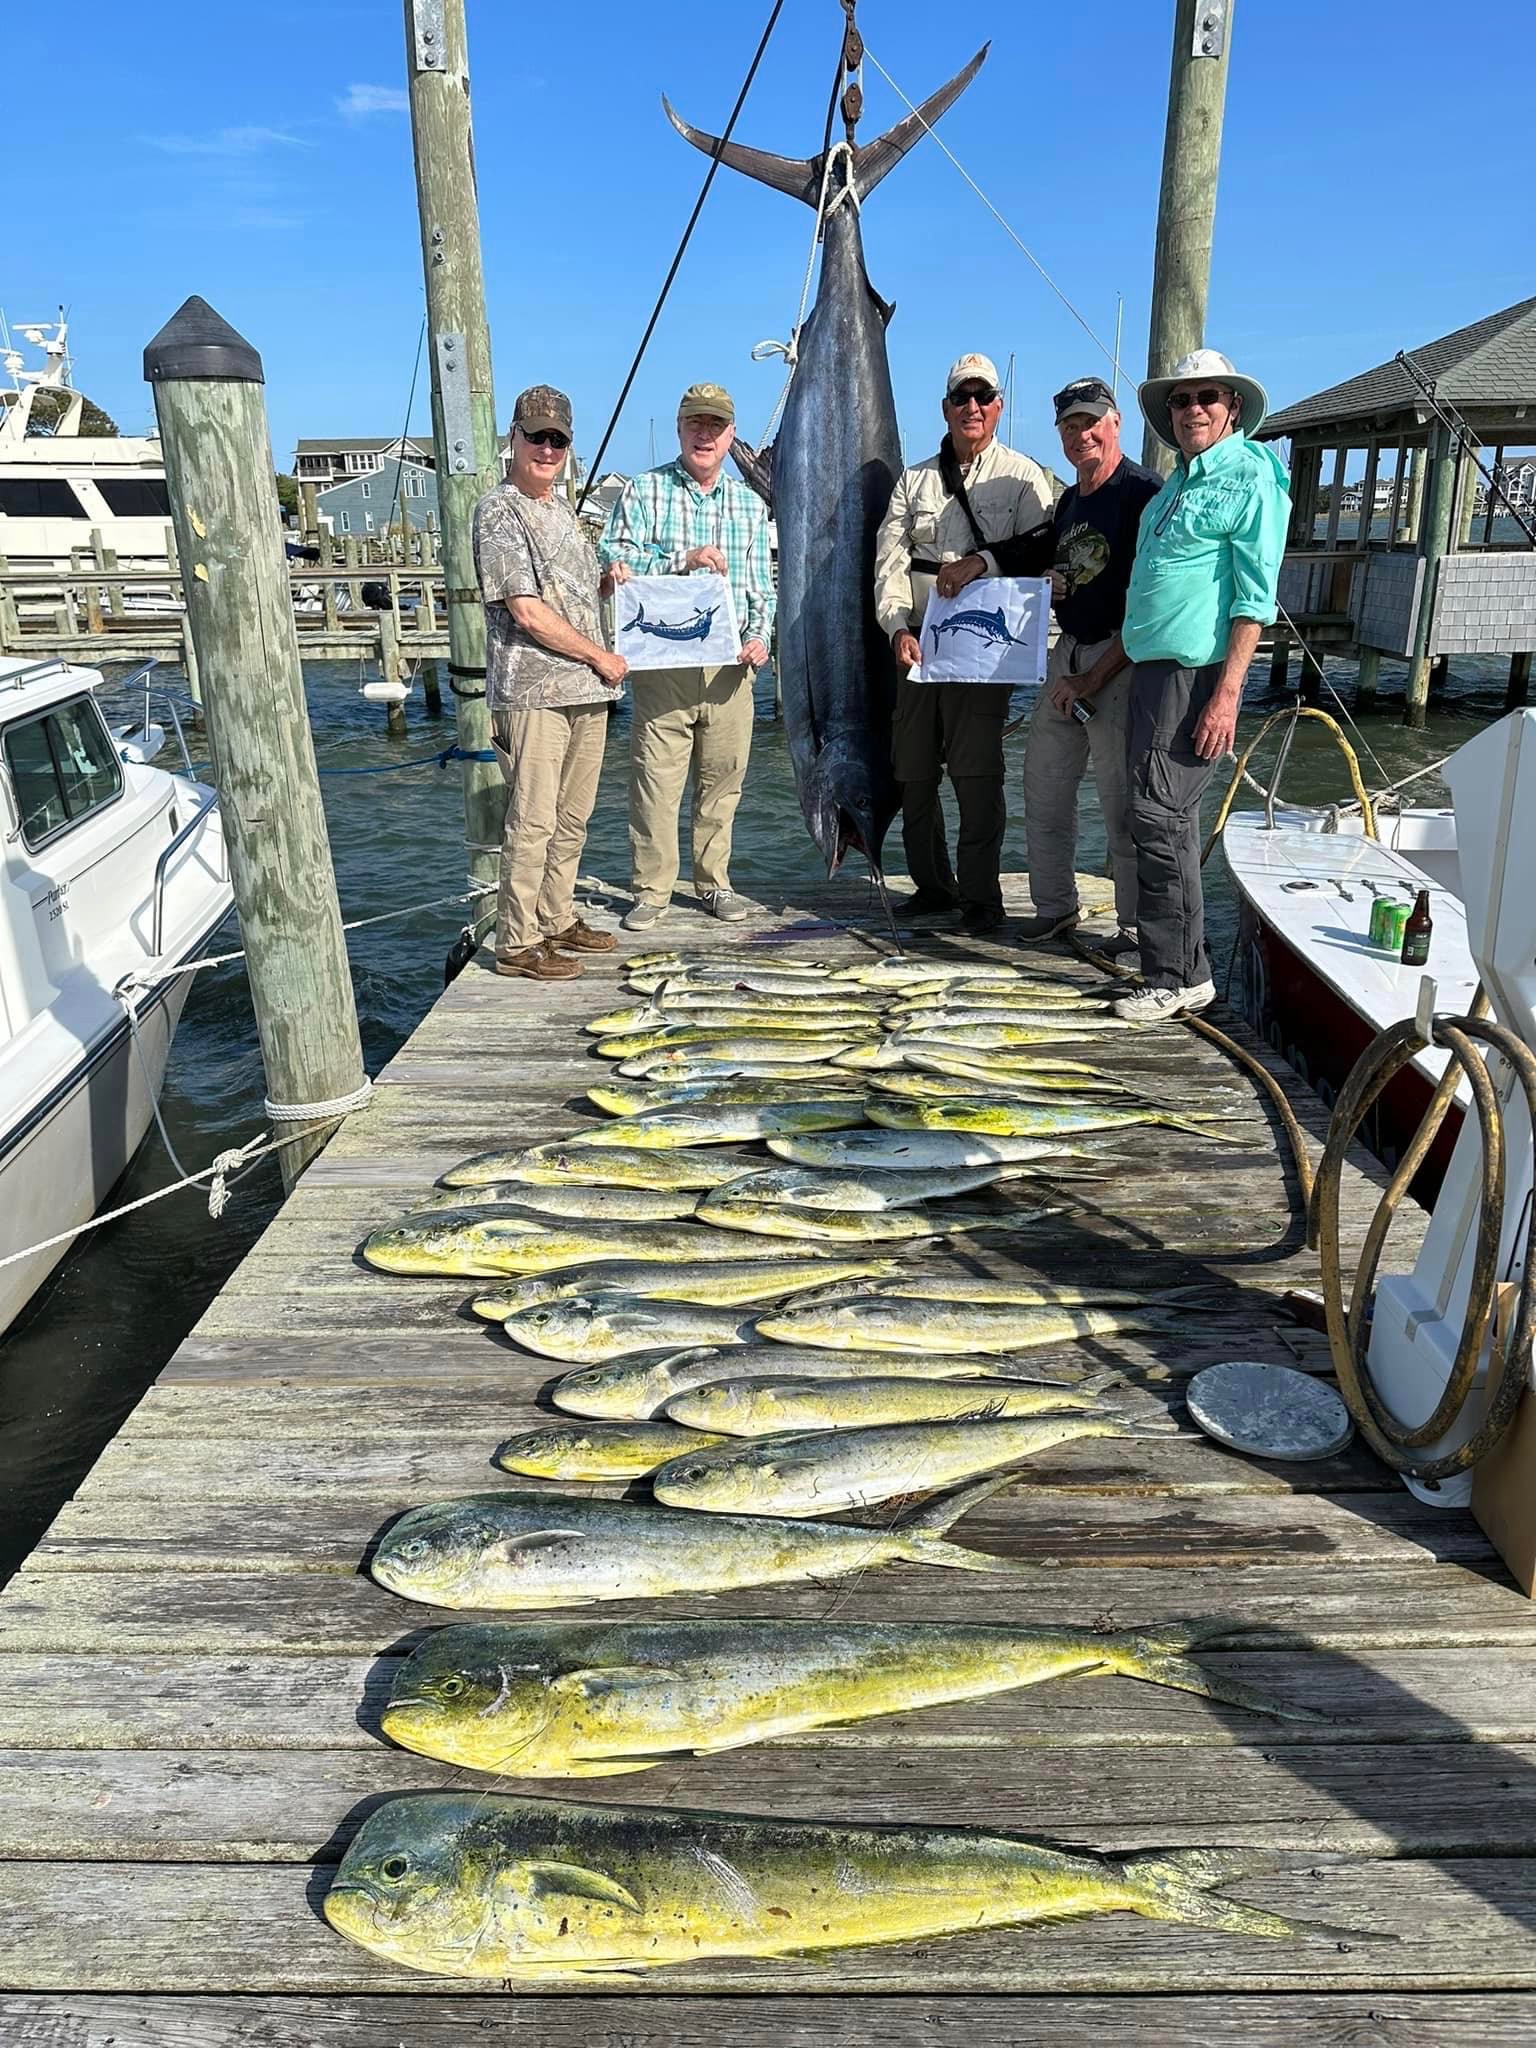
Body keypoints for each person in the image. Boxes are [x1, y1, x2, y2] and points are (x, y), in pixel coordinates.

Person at [1112, 348, 1289, 1021]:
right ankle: (1176, 959)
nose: (1192, 411)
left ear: (1232, 407)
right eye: (1181, 401)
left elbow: (1254, 599)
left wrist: (1227, 694)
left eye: (1206, 397)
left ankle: (1180, 974)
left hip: (1195, 675)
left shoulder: (1251, 477)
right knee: (1158, 815)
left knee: (1159, 817)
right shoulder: (1173, 486)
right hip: (1154, 672)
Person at [873, 353, 1054, 933]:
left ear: (998, 406)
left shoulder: (1026, 477)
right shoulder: (914, 480)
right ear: (946, 408)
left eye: (983, 397)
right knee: (914, 774)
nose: (971, 407)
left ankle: (981, 897)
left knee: (977, 778)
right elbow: (889, 563)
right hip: (918, 651)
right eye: (961, 398)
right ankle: (933, 886)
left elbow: (1044, 551)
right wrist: (897, 626)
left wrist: (984, 561)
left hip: (984, 659)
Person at [599, 382, 775, 931]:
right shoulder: (644, 490)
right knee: (656, 781)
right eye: (695, 423)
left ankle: (714, 883)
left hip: (730, 667)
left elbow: (761, 587)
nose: (705, 433)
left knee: (723, 781)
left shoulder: (751, 503)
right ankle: (651, 889)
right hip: (663, 667)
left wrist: (762, 636)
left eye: (716, 425)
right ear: (679, 428)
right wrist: (685, 559)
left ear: (731, 435)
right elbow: (616, 557)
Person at [473, 384, 627, 981]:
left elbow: (573, 599)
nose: (545, 448)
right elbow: (527, 611)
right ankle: (516, 941)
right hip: (534, 692)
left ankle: (556, 918)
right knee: (532, 820)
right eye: (534, 436)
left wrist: (607, 585)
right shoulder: (499, 509)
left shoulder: (561, 511)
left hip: (585, 690)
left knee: (572, 817)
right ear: (512, 438)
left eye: (556, 439)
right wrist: (602, 657)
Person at [1008, 377, 1161, 952]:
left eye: (1091, 421)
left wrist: (1094, 677)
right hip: (1065, 654)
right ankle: (1054, 909)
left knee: (1122, 804)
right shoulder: (1071, 500)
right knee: (1043, 791)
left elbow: (1153, 608)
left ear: (1115, 421)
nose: (1081, 434)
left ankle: (1135, 926)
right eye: (1070, 426)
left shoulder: (1145, 492)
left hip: (1117, 659)